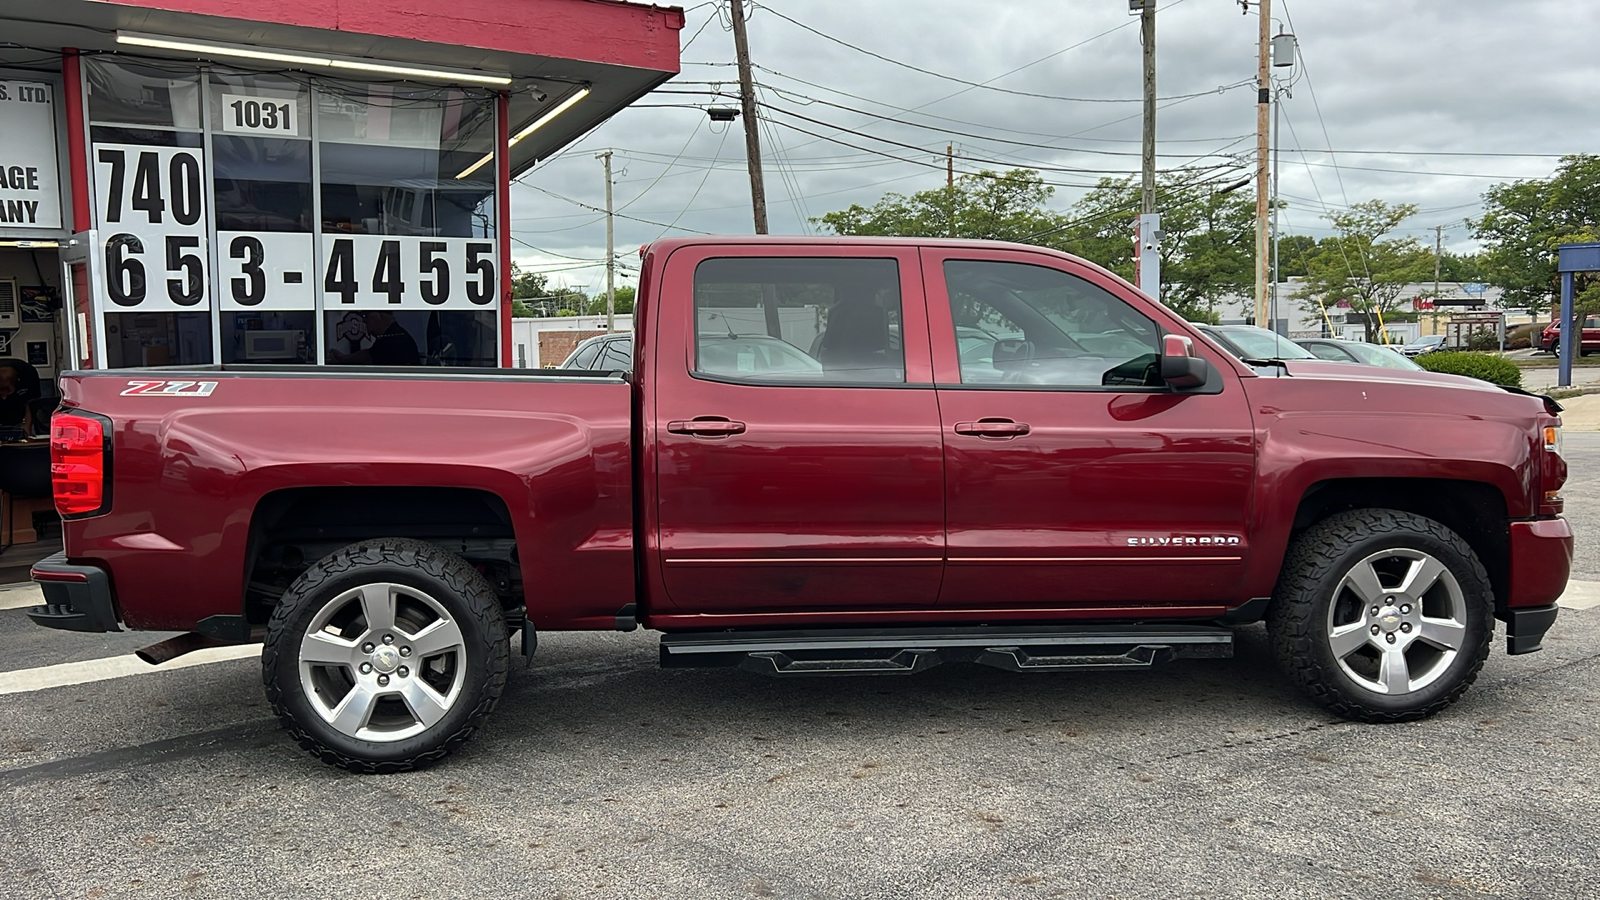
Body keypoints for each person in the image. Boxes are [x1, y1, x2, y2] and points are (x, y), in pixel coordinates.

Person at [327, 311, 420, 366]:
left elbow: (369, 357)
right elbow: (372, 353)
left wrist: (343, 358)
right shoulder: (388, 335)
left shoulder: (396, 337)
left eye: (367, 315)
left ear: (382, 316)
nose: (364, 320)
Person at [0, 364, 35, 435]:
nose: (4, 395)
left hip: (19, 422)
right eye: (1, 389)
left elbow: (31, 407)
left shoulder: (25, 384)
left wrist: (27, 428)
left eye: (7, 389)